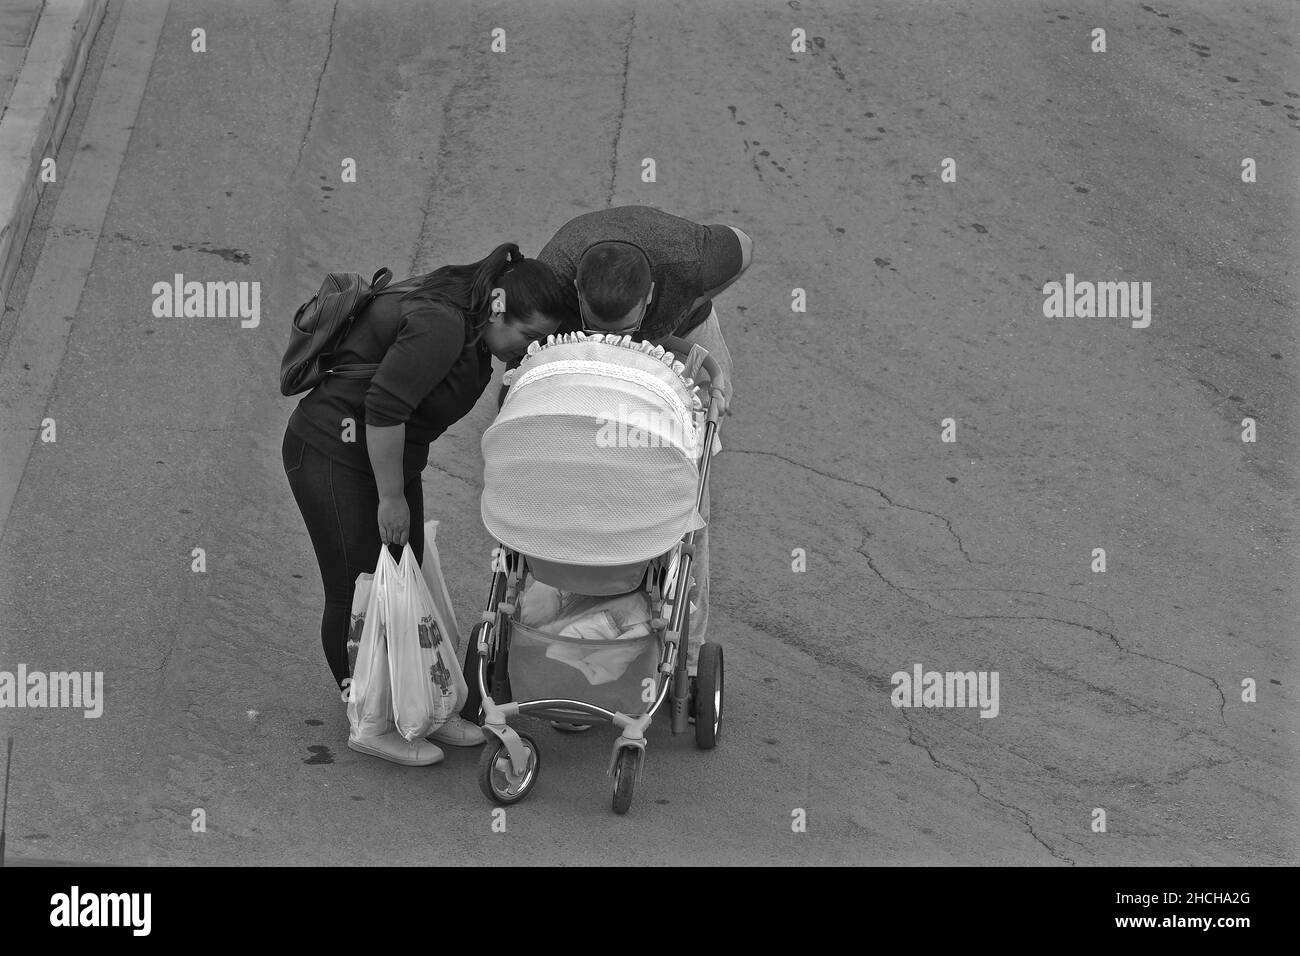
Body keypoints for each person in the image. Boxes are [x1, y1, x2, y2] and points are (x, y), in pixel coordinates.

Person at [284, 243, 570, 765]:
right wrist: (391, 497)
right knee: (358, 591)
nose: (525, 349)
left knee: (401, 578)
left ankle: (423, 711)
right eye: (528, 336)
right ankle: (367, 719)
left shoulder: (470, 320)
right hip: (331, 455)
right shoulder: (442, 326)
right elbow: (384, 410)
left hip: (382, 459)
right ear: (499, 303)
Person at [511, 206, 752, 728]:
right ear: (576, 297)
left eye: (626, 323)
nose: (620, 333)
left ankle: (684, 666)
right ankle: (572, 639)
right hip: (581, 357)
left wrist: (684, 343)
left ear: (649, 298)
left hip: (685, 338)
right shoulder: (553, 276)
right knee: (579, 463)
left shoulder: (693, 260)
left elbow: (744, 247)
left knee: (690, 498)